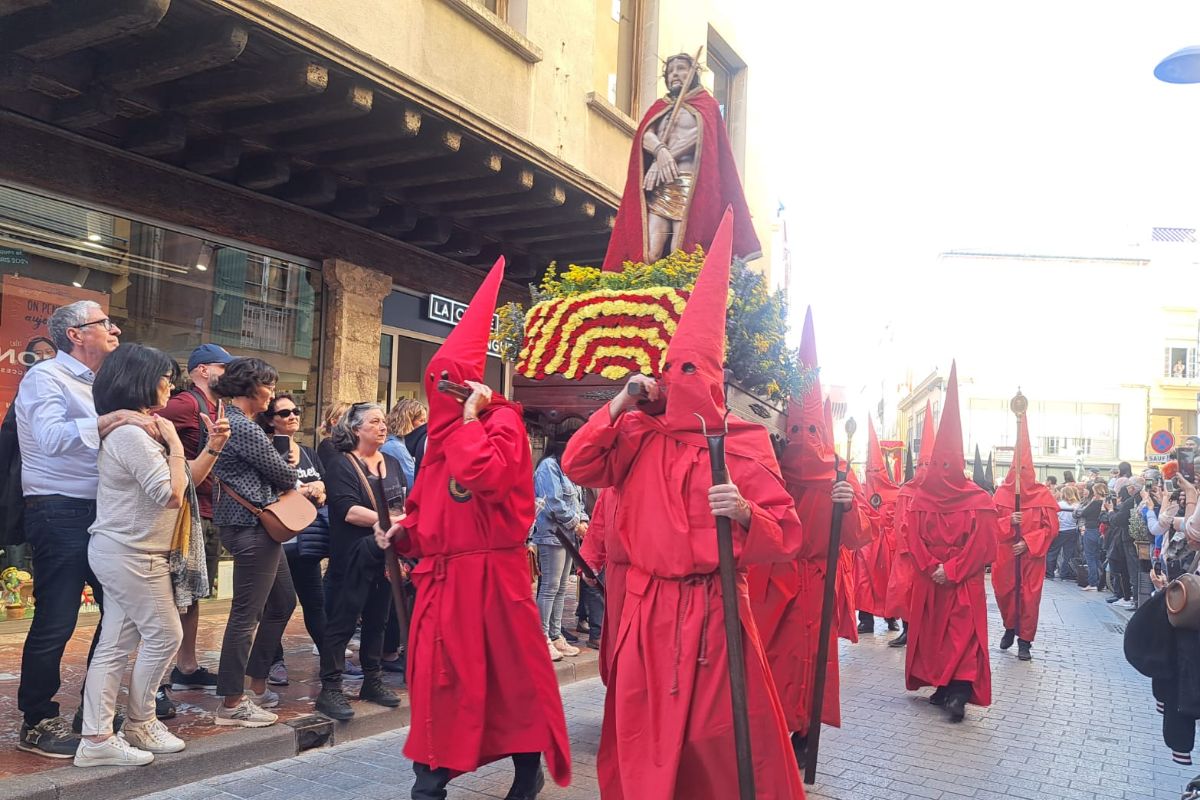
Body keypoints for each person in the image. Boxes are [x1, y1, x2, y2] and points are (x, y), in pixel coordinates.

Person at [563, 213, 805, 799]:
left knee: (713, 738)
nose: (680, 380)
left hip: (714, 608)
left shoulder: (742, 443)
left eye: (693, 371)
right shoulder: (639, 434)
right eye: (673, 369)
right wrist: (619, 404)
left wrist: (746, 512)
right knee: (641, 734)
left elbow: (788, 533)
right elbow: (578, 464)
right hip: (645, 611)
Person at [381, 257, 570, 800]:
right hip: (444, 586)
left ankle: (525, 766)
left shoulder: (501, 423)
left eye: (450, 384)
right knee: (442, 686)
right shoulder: (436, 441)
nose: (441, 393)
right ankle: (430, 778)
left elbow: (484, 477)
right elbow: (425, 514)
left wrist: (470, 421)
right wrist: (403, 534)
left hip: (493, 582)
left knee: (509, 684)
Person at [75, 344, 230, 767]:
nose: (170, 384)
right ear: (140, 379)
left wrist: (211, 447)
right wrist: (176, 442)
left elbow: (183, 480)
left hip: (130, 550)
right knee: (166, 635)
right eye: (165, 376)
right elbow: (172, 494)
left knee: (116, 644)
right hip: (132, 553)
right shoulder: (132, 434)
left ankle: (99, 737)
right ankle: (136, 724)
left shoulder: (141, 430)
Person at [15, 300, 158, 758]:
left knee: (122, 613)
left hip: (105, 511)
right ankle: (36, 719)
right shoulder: (45, 377)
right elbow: (52, 439)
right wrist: (113, 419)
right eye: (104, 323)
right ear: (76, 334)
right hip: (58, 507)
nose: (114, 329)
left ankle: (92, 711)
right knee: (57, 617)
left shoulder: (102, 382)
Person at [748, 307, 872, 763]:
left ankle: (802, 736)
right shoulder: (768, 466)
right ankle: (777, 733)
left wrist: (848, 503)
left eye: (810, 429)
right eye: (794, 429)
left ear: (823, 430)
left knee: (809, 662)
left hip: (814, 583)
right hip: (771, 581)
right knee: (770, 660)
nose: (802, 437)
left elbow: (858, 536)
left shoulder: (840, 473)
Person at [902, 362, 998, 723]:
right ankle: (943, 685)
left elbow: (984, 545)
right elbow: (912, 536)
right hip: (933, 581)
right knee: (935, 636)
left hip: (962, 581)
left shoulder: (978, 501)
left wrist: (952, 568)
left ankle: (959, 690)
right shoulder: (920, 499)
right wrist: (931, 567)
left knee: (963, 634)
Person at [603, 53, 761, 269]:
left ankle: (679, 293)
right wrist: (660, 152)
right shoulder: (661, 106)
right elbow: (645, 135)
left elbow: (700, 137)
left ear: (693, 72)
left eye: (681, 68)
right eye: (670, 71)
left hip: (688, 186)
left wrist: (667, 157)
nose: (675, 74)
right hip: (660, 187)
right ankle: (647, 292)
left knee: (681, 250)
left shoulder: (707, 105)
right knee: (650, 251)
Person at [210, 358, 298, 727]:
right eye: (269, 386)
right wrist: (291, 461)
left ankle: (255, 683)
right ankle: (232, 702)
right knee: (246, 614)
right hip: (249, 525)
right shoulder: (241, 426)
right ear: (250, 387)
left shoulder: (241, 422)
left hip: (255, 526)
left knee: (282, 602)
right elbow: (282, 473)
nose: (273, 394)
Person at [156, 343, 234, 717]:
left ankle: (187, 667)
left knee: (194, 594)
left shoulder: (218, 407)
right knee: (175, 595)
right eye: (223, 367)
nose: (229, 374)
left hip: (205, 508)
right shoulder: (185, 404)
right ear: (203, 370)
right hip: (184, 511)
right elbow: (154, 433)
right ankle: (159, 680)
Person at [314, 402, 403, 720]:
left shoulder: (391, 462)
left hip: (384, 555)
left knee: (378, 619)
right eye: (375, 422)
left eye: (384, 422)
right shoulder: (341, 463)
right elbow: (347, 509)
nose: (383, 427)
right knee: (342, 622)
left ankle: (373, 680)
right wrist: (388, 521)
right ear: (355, 429)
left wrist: (397, 522)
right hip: (351, 556)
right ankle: (331, 688)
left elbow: (400, 503)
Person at [259, 394, 329, 688]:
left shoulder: (310, 453)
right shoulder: (265, 451)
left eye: (295, 411)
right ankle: (272, 662)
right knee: (276, 605)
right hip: (278, 539)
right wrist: (301, 492)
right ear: (271, 420)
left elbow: (326, 488)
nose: (292, 416)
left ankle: (331, 659)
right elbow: (264, 494)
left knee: (315, 603)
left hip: (308, 540)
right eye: (284, 412)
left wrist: (320, 489)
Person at [992, 409, 1059, 662]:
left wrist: (1028, 542)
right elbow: (989, 525)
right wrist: (1008, 521)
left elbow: (1050, 528)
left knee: (1029, 598)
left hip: (1031, 557)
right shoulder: (1001, 494)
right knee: (1005, 592)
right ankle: (1009, 627)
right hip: (1006, 554)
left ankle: (1025, 641)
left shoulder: (1042, 495)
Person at [883, 400, 938, 648]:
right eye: (920, 465)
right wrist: (910, 546)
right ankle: (907, 629)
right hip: (908, 555)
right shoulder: (907, 491)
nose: (924, 469)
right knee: (904, 591)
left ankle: (925, 634)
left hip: (933, 555)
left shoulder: (941, 493)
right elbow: (900, 523)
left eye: (929, 464)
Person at [533, 439, 588, 661]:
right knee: (550, 587)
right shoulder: (548, 466)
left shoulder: (567, 468)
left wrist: (582, 521)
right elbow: (554, 502)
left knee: (561, 587)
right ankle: (542, 637)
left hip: (568, 537)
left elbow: (579, 501)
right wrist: (576, 523)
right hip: (552, 535)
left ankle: (555, 635)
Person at [856, 417, 900, 634]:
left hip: (886, 547)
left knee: (888, 583)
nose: (872, 474)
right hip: (867, 545)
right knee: (863, 584)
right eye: (869, 470)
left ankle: (891, 618)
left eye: (876, 470)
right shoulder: (862, 490)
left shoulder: (895, 492)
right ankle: (866, 620)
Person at [1076, 482, 1106, 590]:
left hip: (1091, 529)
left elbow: (1084, 513)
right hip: (1100, 530)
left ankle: (1093, 582)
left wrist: (1091, 502)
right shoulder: (1105, 503)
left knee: (1090, 557)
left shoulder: (1095, 502)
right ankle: (1103, 580)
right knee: (1097, 557)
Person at [1048, 484, 1081, 581]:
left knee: (1053, 552)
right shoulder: (1077, 505)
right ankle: (1064, 574)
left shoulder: (1059, 505)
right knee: (1068, 554)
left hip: (1061, 530)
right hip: (1072, 530)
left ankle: (1049, 573)